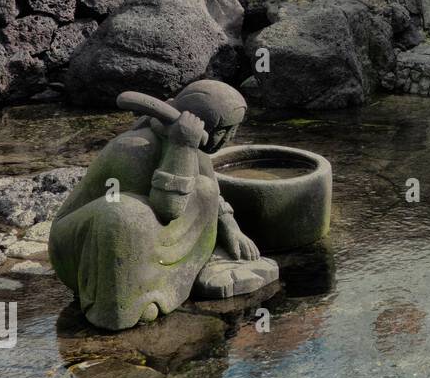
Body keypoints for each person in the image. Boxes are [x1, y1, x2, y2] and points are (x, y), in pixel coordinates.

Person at [49, 80, 275, 330]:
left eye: (233, 131)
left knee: (203, 189)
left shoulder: (195, 153)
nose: (228, 140)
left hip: (146, 234)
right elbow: (168, 207)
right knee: (125, 214)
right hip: (83, 250)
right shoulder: (133, 149)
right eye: (223, 131)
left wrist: (231, 229)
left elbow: (210, 194)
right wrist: (182, 146)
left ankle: (171, 281)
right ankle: (119, 306)